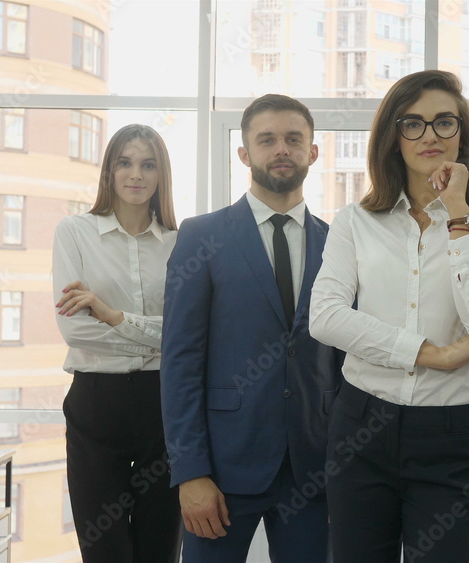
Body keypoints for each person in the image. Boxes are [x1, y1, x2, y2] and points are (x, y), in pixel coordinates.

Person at [309, 69, 469, 562]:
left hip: (450, 435)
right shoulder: (356, 220)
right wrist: (433, 355)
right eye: (413, 123)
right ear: (393, 135)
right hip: (361, 425)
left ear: (462, 135)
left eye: (444, 122)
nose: (429, 135)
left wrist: (456, 215)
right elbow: (325, 316)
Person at [161, 94, 343, 563]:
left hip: (315, 471)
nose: (281, 149)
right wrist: (190, 473)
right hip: (220, 471)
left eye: (293, 139)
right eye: (267, 140)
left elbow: (347, 362)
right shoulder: (202, 236)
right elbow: (179, 364)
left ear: (312, 152)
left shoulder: (340, 243)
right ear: (244, 154)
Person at [52, 124, 181, 562]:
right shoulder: (74, 233)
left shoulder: (180, 244)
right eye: (124, 162)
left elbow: (190, 333)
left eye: (148, 164)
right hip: (96, 402)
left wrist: (111, 316)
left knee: (160, 545)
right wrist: (155, 338)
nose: (136, 174)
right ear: (108, 171)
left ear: (162, 174)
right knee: (103, 547)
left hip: (163, 402)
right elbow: (74, 331)